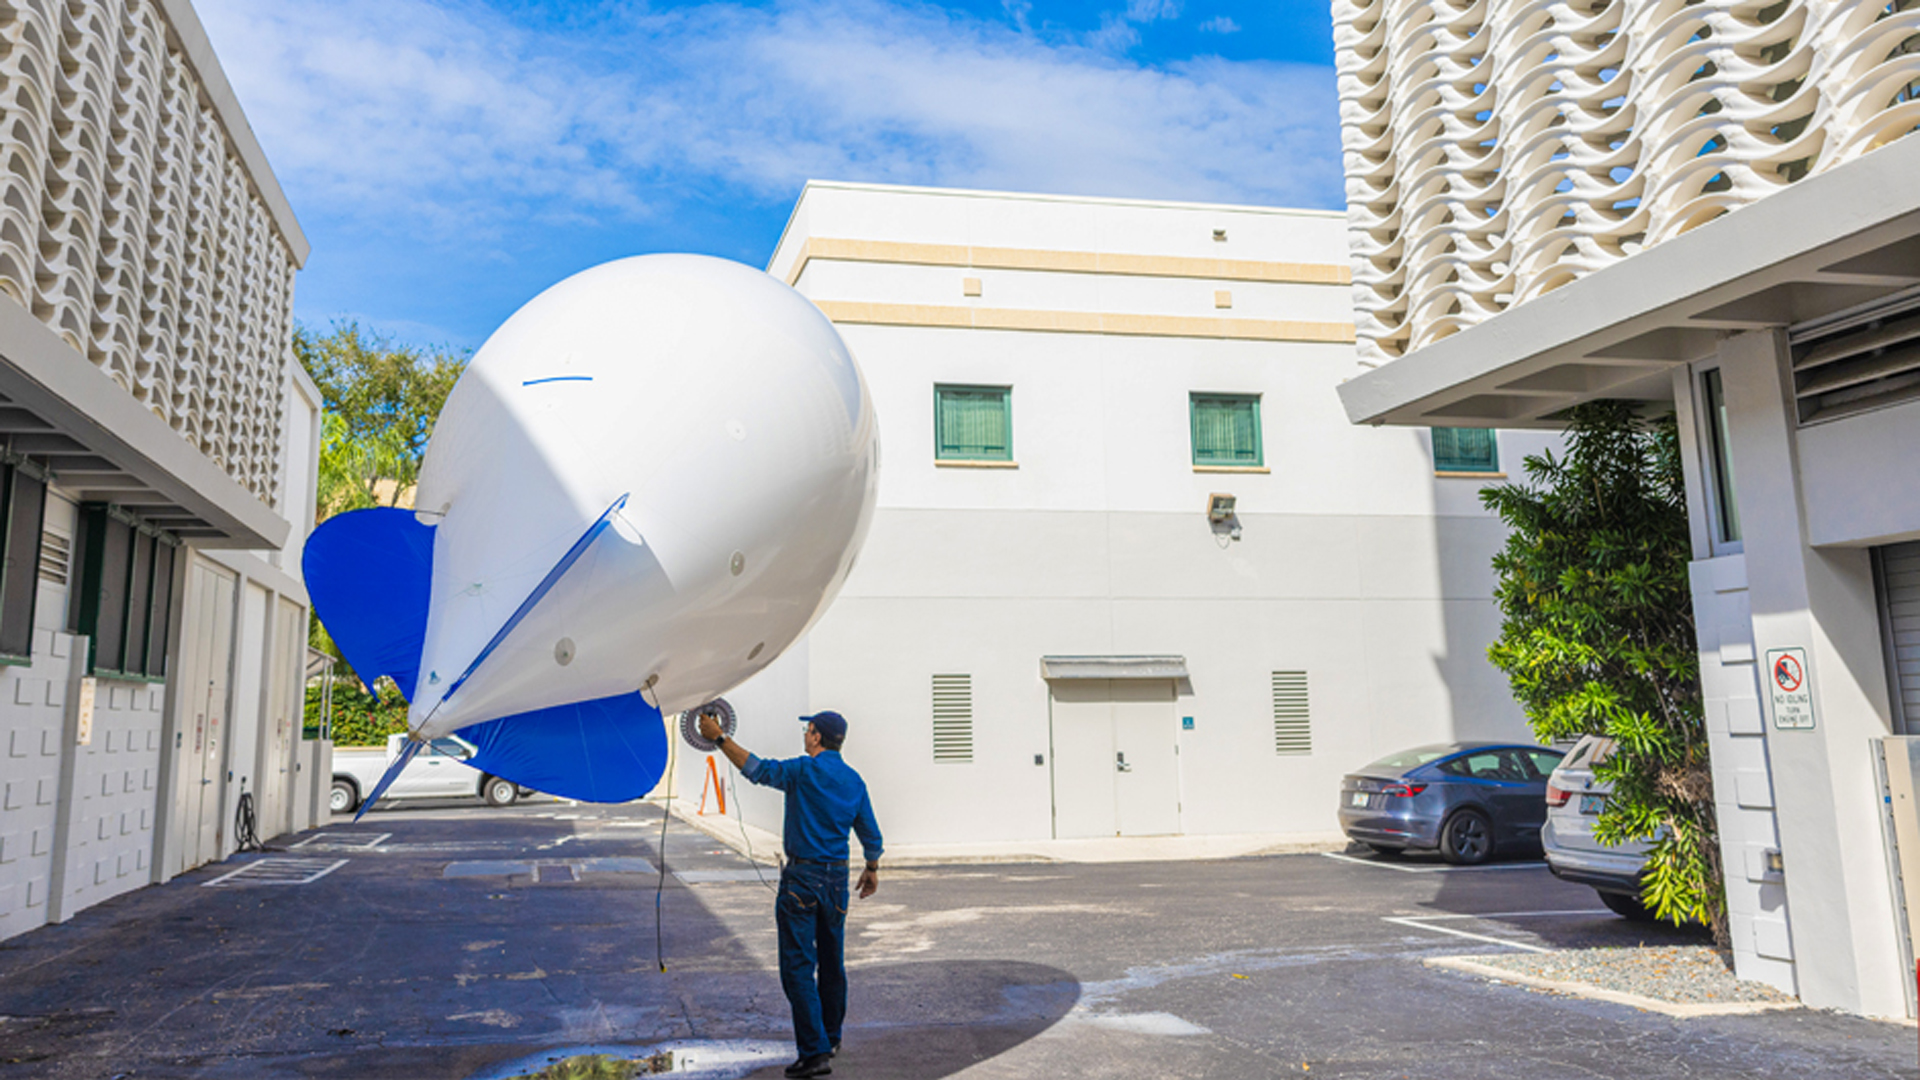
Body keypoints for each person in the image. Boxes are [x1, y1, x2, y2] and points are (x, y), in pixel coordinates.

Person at [698, 709, 882, 1079]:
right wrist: (872, 868)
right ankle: (830, 1038)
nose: (805, 735)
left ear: (817, 737)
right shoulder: (853, 780)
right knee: (832, 963)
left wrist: (719, 738)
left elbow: (756, 769)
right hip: (836, 881)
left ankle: (814, 1054)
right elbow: (870, 833)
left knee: (798, 967)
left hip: (802, 879)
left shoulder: (802, 770)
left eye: (808, 730)